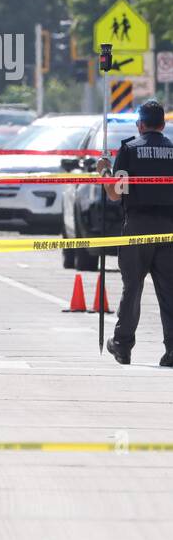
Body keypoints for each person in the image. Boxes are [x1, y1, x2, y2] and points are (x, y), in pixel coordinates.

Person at [97, 99, 173, 366]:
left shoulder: (129, 149)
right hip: (169, 229)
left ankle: (122, 345)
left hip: (137, 227)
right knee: (170, 291)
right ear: (163, 125)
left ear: (140, 125)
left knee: (132, 288)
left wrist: (104, 171)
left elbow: (115, 195)